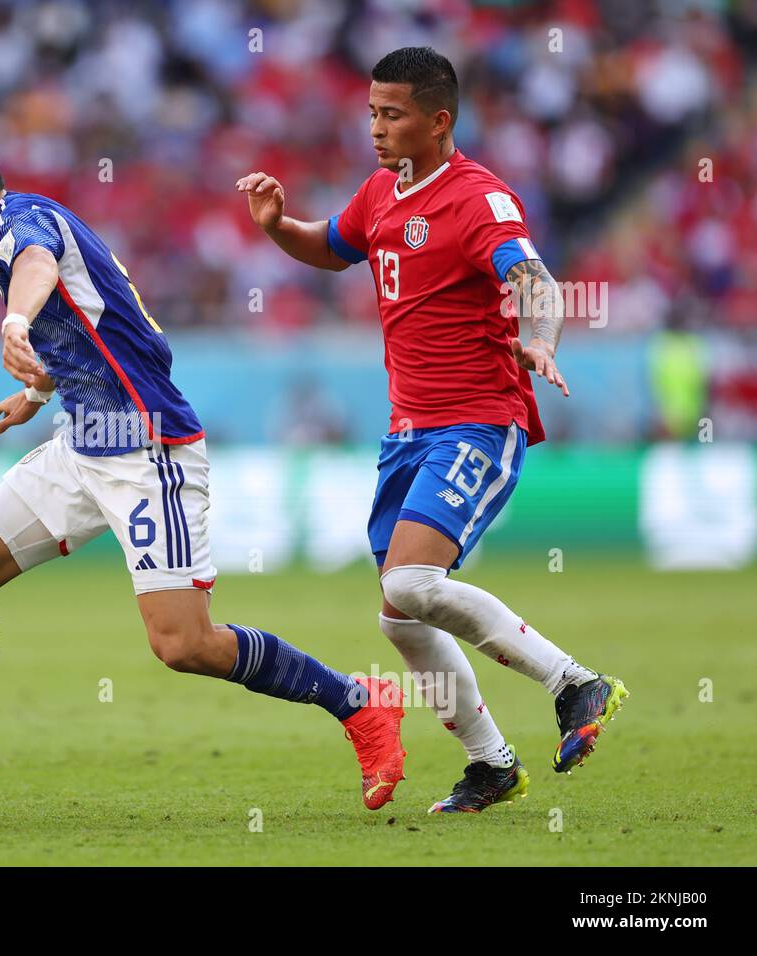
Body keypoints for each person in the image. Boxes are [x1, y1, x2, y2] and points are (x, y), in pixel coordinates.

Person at [0, 123, 406, 814]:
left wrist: (13, 325)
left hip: (149, 451)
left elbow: (38, 269)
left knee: (183, 644)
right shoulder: (13, 232)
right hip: (82, 445)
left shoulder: (22, 225)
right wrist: (36, 391)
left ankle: (360, 704)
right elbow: (94, 325)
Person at [238, 47, 629, 813]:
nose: (377, 129)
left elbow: (532, 281)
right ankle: (492, 764)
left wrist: (540, 334)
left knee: (412, 583)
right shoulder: (383, 192)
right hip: (407, 432)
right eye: (373, 113)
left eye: (393, 115)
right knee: (400, 615)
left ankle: (576, 683)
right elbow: (331, 247)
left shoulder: (478, 200)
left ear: (439, 120)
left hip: (479, 421)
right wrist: (278, 224)